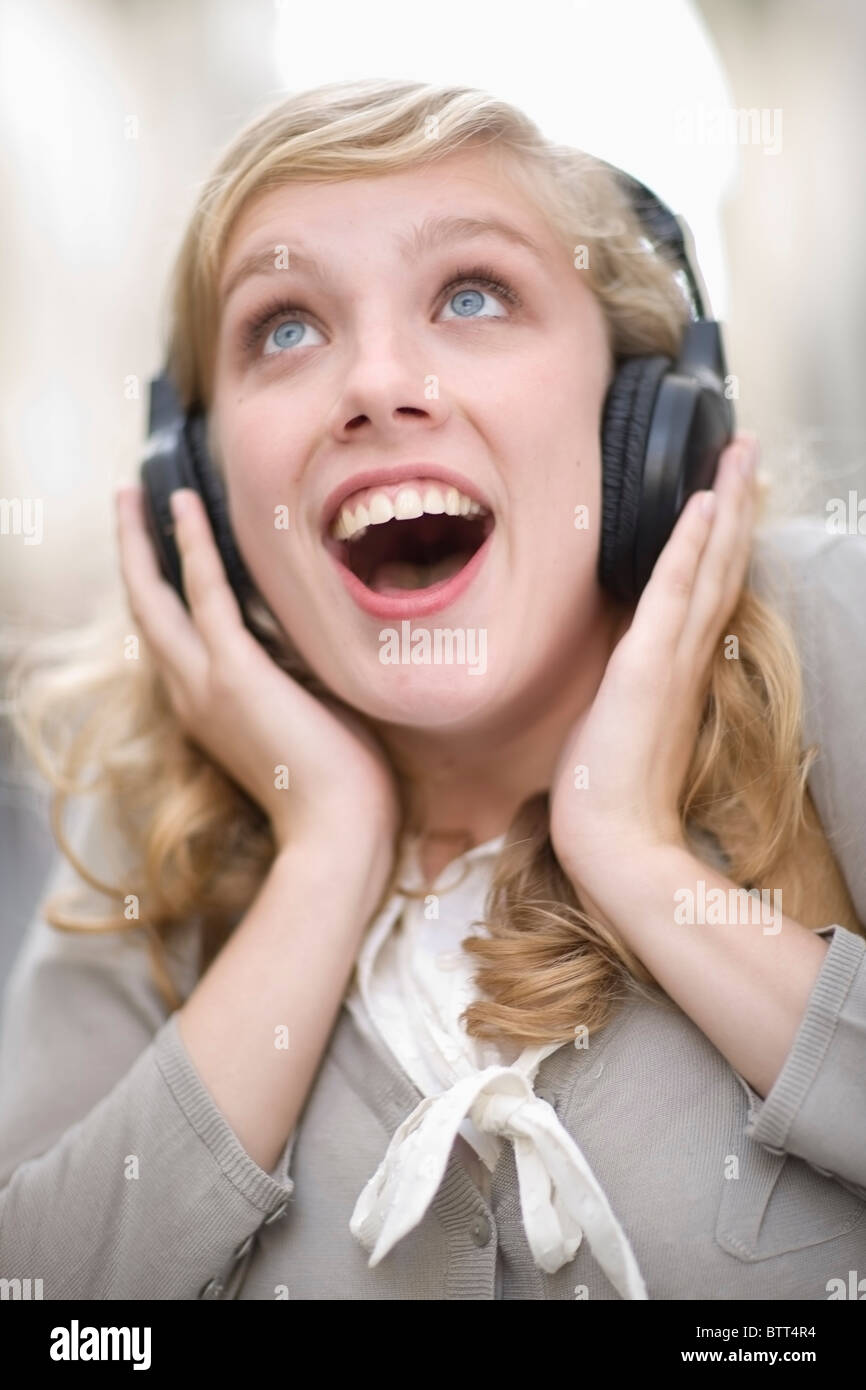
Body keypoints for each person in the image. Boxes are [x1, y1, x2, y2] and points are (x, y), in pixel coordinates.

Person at [1, 77, 864, 1302]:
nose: (376, 382)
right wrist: (326, 848)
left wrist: (634, 858)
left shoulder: (829, 633)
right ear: (199, 486)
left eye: (472, 295)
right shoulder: (148, 801)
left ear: (644, 418)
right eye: (284, 328)